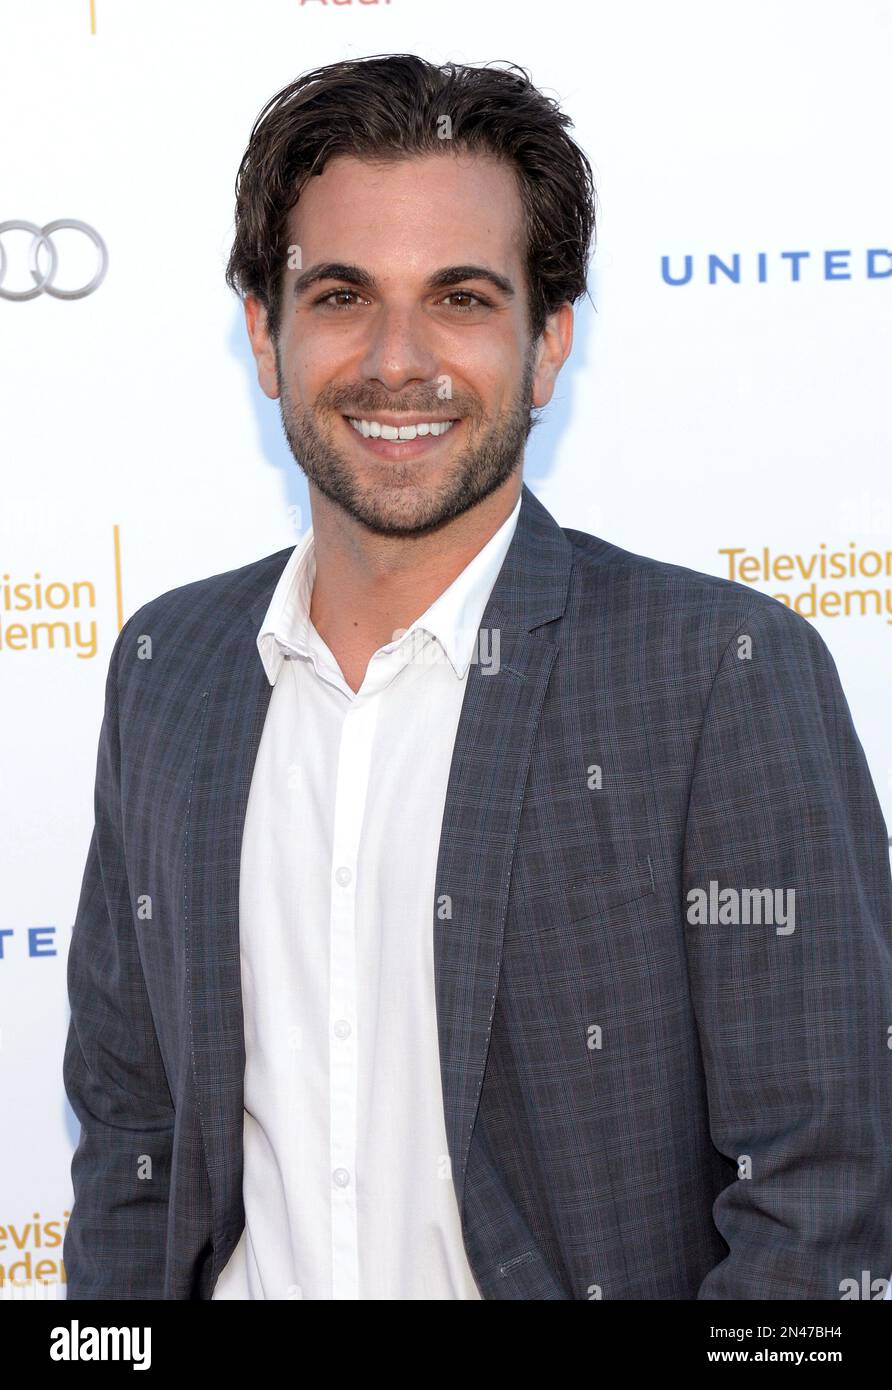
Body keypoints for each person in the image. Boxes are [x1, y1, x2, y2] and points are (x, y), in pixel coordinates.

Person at [63, 54, 892, 1301]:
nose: (399, 361)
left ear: (548, 341)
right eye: (340, 295)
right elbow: (132, 1140)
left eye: (459, 297)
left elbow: (822, 1196)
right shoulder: (169, 669)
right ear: (264, 335)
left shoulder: (717, 673)